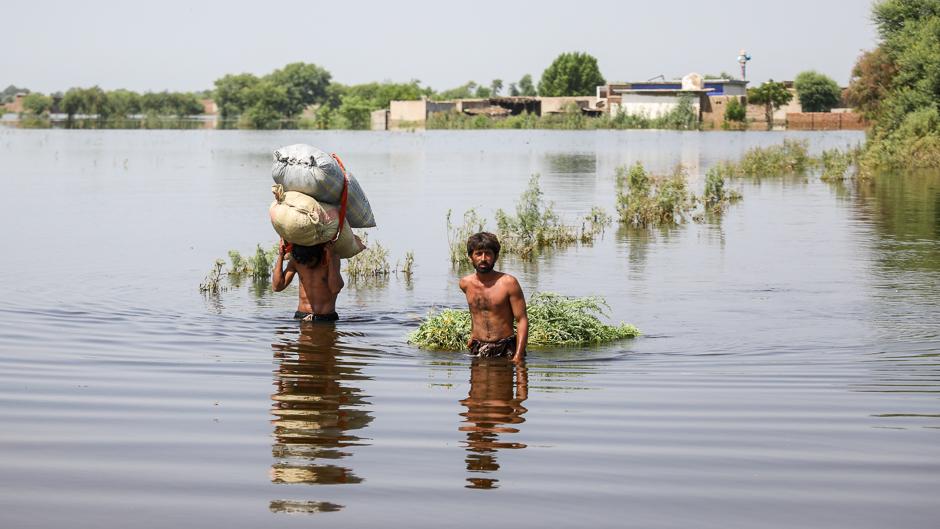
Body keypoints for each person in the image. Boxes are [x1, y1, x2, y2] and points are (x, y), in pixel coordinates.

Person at [459, 232, 528, 363]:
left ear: (496, 256)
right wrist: (472, 334)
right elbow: (475, 311)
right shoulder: (465, 284)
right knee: (477, 383)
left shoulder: (509, 283)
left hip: (505, 348)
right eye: (478, 254)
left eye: (488, 253)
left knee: (503, 383)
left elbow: (522, 320)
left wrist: (518, 355)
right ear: (470, 257)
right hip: (478, 347)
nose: (483, 258)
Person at [272, 238, 344, 322]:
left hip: (327, 319)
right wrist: (281, 255)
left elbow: (335, 288)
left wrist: (331, 257)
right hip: (302, 317)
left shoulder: (331, 259)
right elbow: (277, 287)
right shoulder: (297, 261)